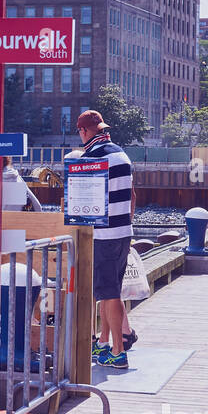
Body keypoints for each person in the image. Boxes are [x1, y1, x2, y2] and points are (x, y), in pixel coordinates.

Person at [75, 109, 135, 369]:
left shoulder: (92, 156)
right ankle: (103, 343)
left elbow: (82, 200)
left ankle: (118, 351)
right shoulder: (121, 153)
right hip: (123, 231)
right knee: (110, 289)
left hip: (104, 235)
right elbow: (132, 196)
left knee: (109, 293)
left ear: (84, 131)